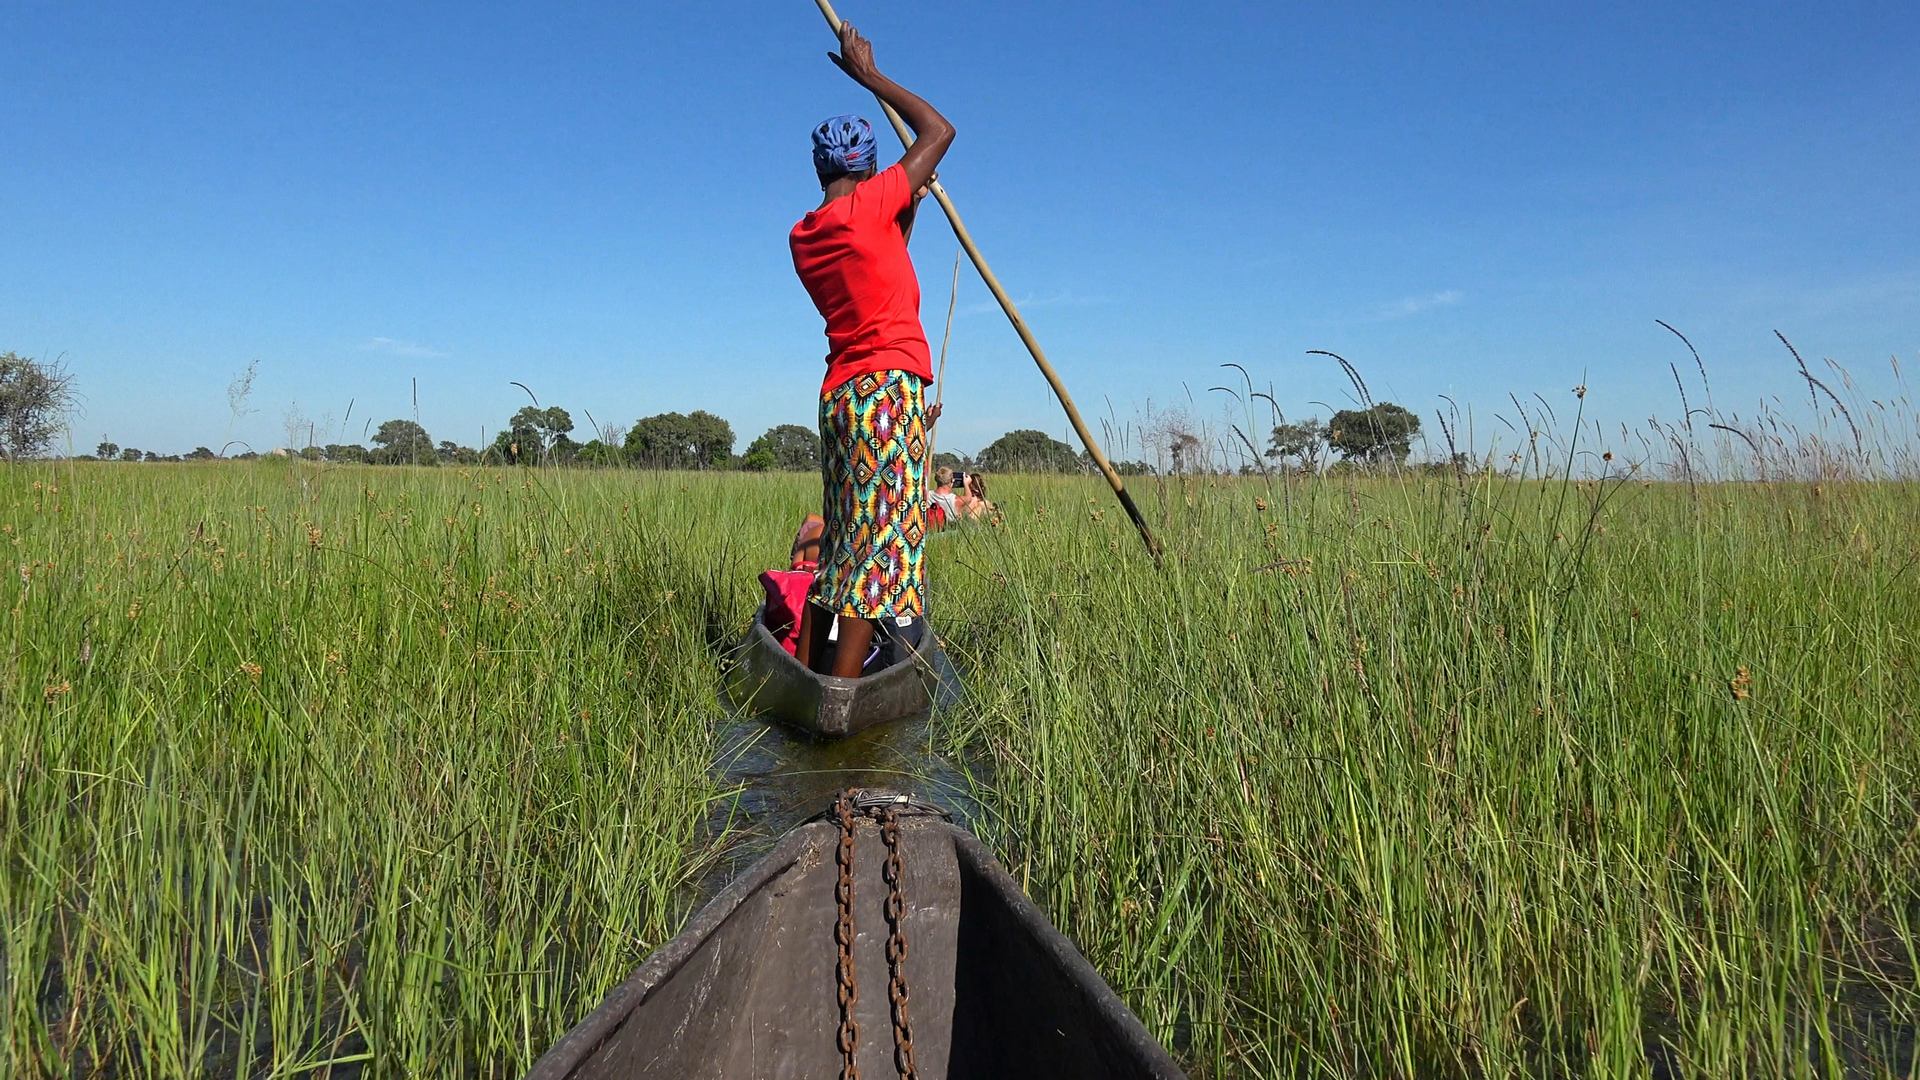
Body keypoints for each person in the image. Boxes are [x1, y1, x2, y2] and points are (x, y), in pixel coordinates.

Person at [789, 21, 955, 678]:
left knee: (839, 556)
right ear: (865, 169)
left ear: (820, 167)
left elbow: (884, 258)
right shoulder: (866, 209)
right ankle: (838, 698)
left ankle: (804, 678)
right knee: (878, 559)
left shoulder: (807, 235)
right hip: (887, 390)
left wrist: (910, 199)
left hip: (842, 397)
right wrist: (870, 75)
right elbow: (939, 132)